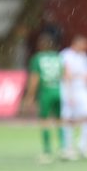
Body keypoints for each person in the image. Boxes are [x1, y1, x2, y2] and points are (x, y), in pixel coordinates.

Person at [23, 34, 66, 164]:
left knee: (44, 121)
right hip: (58, 90)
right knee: (59, 120)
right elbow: (64, 74)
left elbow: (34, 79)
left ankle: (47, 151)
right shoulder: (58, 57)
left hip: (46, 91)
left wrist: (30, 96)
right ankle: (63, 149)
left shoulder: (37, 59)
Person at [60, 35, 87, 160]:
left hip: (82, 90)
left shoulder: (82, 56)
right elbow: (66, 74)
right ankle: (68, 147)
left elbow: (86, 74)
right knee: (69, 119)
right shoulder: (66, 55)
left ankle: (83, 144)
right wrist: (70, 94)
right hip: (69, 90)